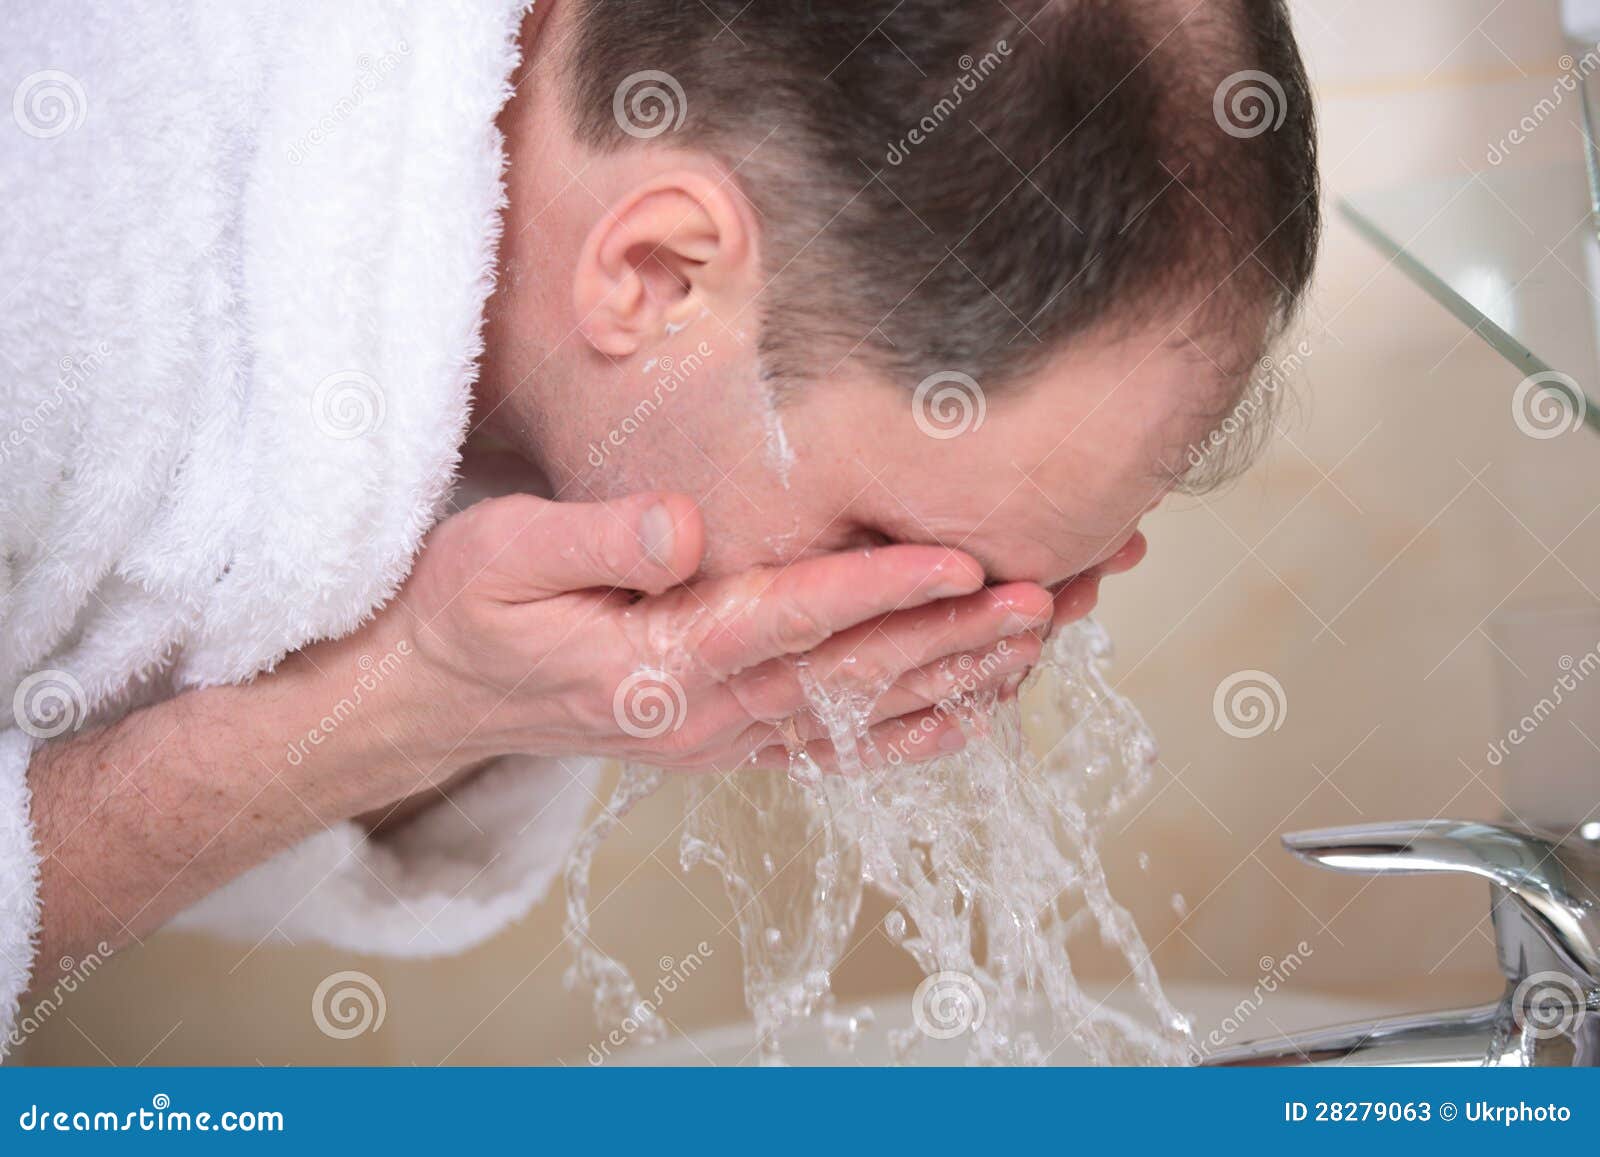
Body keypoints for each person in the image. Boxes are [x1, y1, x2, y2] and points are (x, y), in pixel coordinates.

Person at [0, 0, 1318, 1050]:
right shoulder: (52, 249)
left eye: (1044, 570)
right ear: (659, 275)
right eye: (887, 549)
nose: (945, 639)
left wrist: (480, 689)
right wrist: (403, 704)